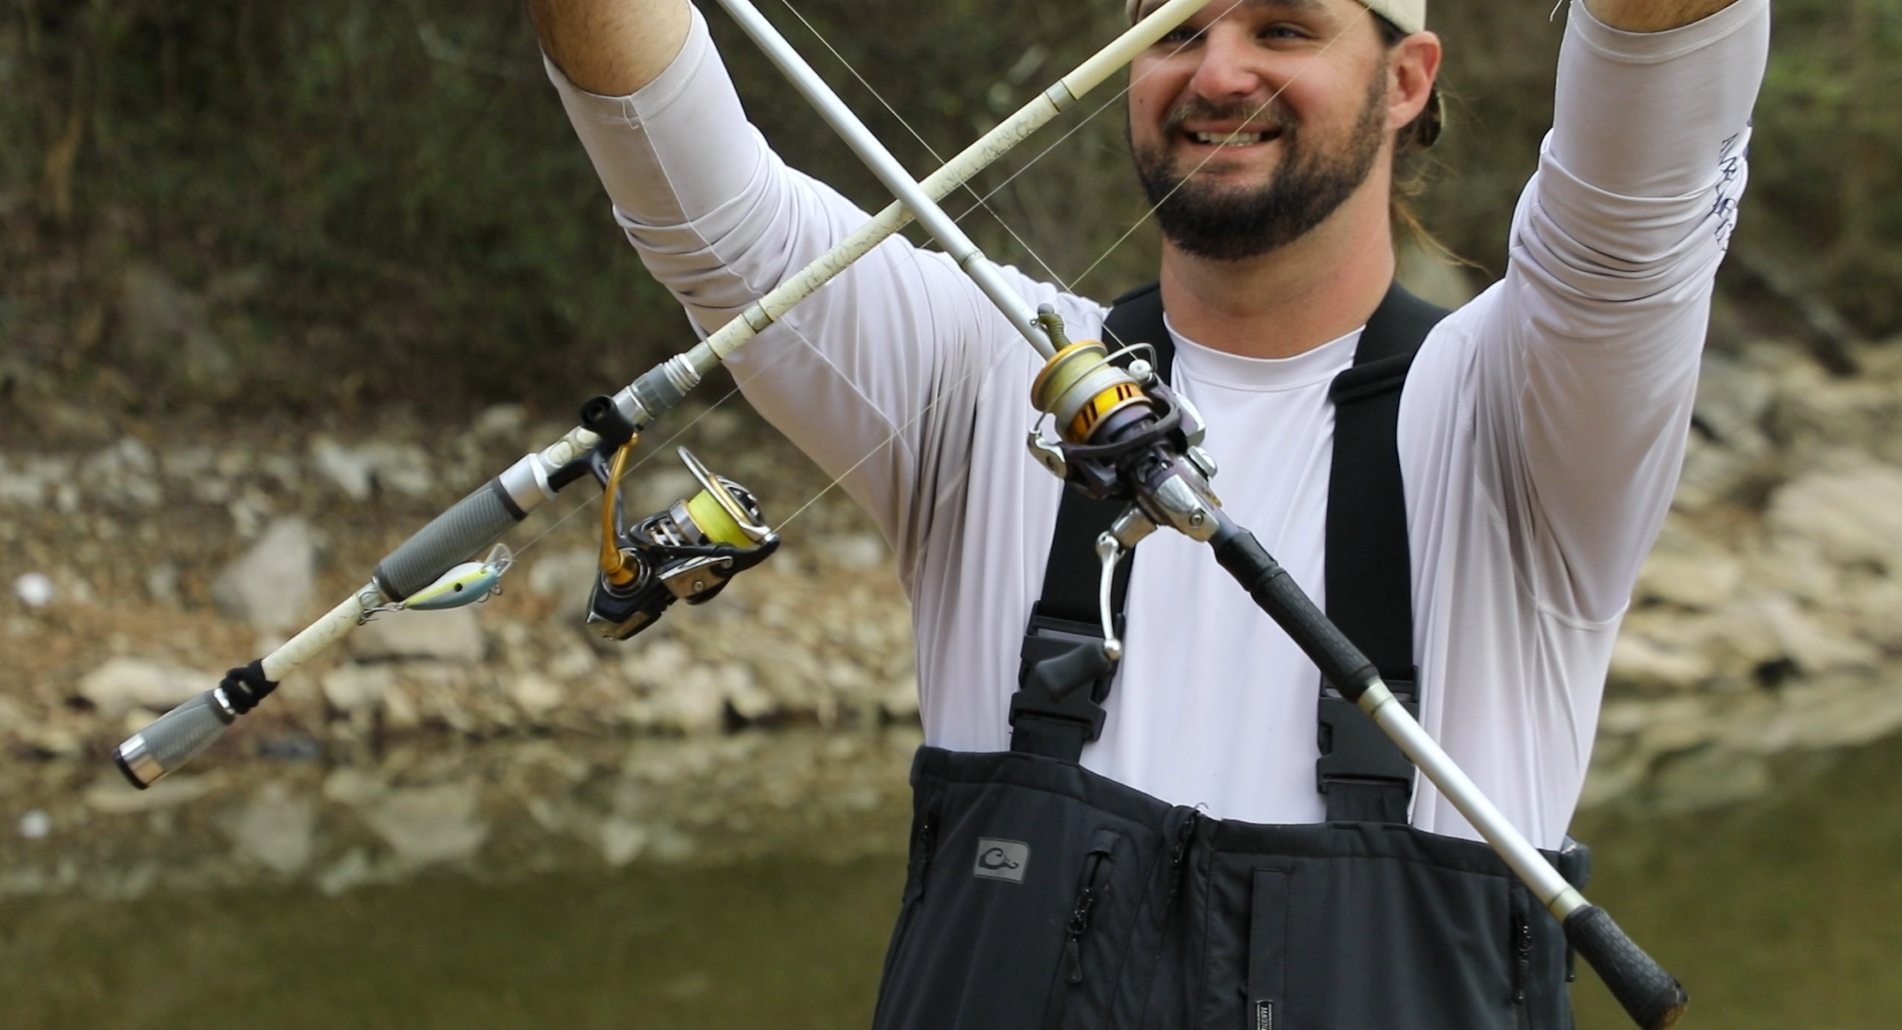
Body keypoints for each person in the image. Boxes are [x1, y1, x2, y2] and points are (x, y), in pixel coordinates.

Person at [529, 0, 1767, 1025]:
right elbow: (702, 213)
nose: (1218, 71)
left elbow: (1646, 160)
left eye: (1283, 27)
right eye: (1176, 30)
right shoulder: (988, 363)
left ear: (1406, 78)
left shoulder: (1529, 412)